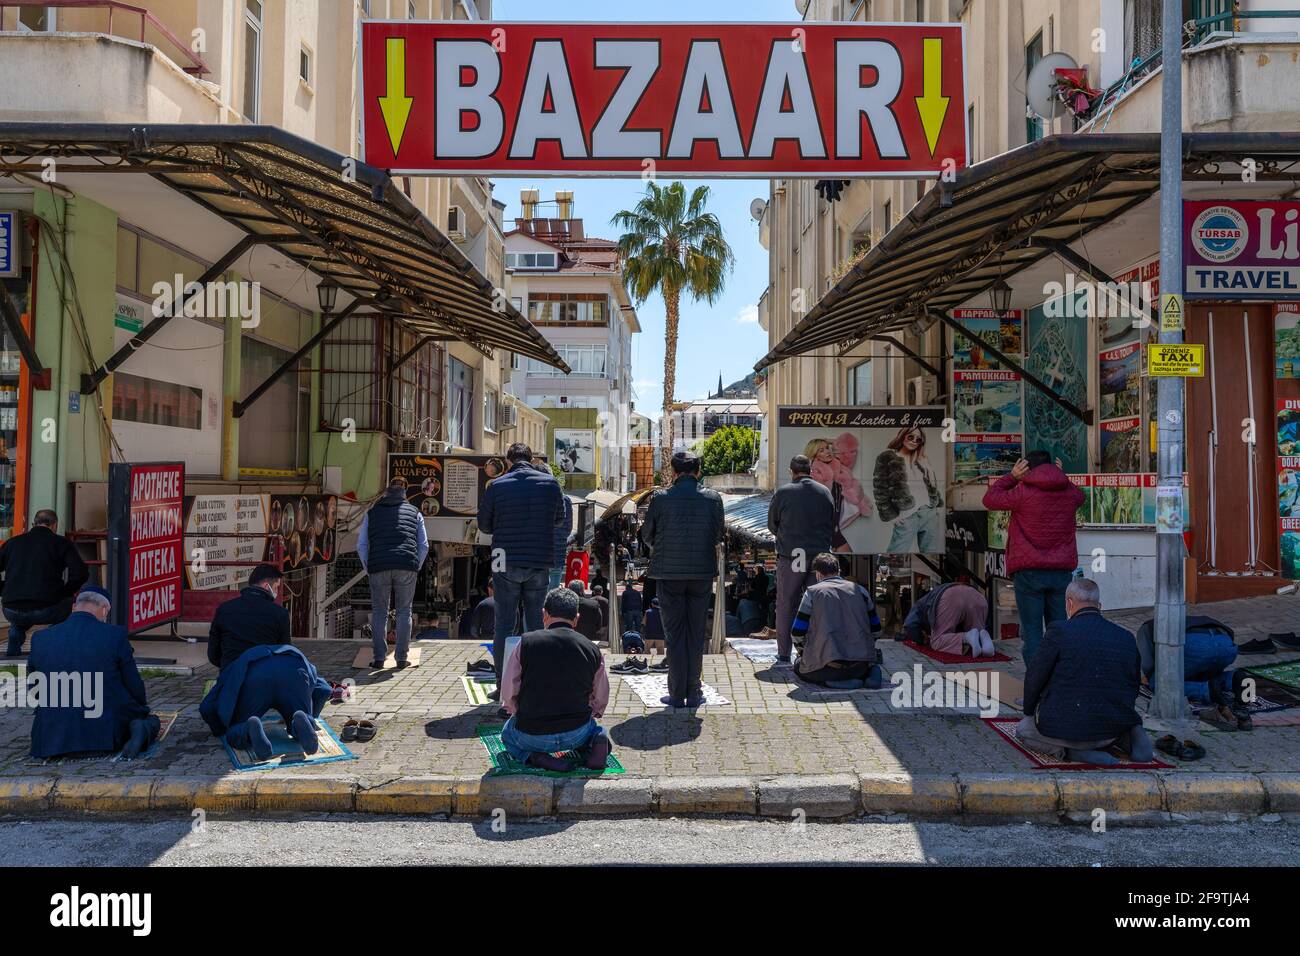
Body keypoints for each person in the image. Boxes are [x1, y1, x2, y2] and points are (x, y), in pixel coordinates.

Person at [1017, 578, 1153, 764]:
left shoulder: (1059, 631)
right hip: (1111, 726)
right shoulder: (1125, 637)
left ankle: (1070, 752)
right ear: (1099, 605)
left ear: (1069, 604)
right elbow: (1133, 684)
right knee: (1115, 722)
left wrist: (1030, 711)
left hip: (1067, 729)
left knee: (1024, 729)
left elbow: (1035, 677)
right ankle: (1129, 733)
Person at [28, 586, 159, 761]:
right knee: (152, 721)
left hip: (51, 739)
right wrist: (141, 710)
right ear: (104, 610)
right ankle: (140, 730)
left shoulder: (40, 638)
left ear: (74, 607)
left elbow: (34, 686)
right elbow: (133, 684)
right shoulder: (114, 635)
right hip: (103, 733)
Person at [639, 450, 725, 708]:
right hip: (701, 573)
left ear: (674, 473)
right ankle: (695, 691)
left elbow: (646, 535)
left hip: (668, 574)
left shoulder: (661, 498)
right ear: (698, 472)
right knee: (696, 632)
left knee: (674, 634)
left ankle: (677, 693)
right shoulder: (713, 499)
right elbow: (718, 534)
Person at [982, 450, 1085, 663]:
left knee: (1032, 632)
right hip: (1061, 571)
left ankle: (1037, 686)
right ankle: (1058, 681)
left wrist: (1012, 476)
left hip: (1029, 572)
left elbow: (989, 499)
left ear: (1025, 468)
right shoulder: (1068, 491)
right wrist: (1060, 476)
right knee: (1059, 629)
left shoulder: (1022, 492)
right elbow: (1080, 496)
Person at [478, 444, 567, 684]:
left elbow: (484, 526)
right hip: (539, 558)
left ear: (508, 461)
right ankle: (534, 680)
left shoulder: (497, 486)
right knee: (535, 622)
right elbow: (559, 519)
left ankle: (502, 682)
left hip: (503, 559)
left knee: (504, 623)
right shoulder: (550, 484)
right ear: (532, 459)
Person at [499, 586, 612, 771]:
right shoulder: (592, 649)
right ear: (576, 619)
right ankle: (595, 741)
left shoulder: (526, 642)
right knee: (595, 729)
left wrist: (514, 711)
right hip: (576, 733)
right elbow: (600, 695)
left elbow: (509, 690)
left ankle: (534, 757)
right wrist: (593, 712)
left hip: (531, 733)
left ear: (545, 614)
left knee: (507, 735)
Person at [200, 641, 329, 761]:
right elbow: (324, 690)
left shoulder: (236, 665)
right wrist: (312, 715)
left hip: (254, 677)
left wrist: (219, 730)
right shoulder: (292, 654)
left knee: (236, 730)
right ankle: (302, 720)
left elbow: (207, 706)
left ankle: (247, 728)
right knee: (299, 712)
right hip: (294, 669)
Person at [767, 455, 835, 664]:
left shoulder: (783, 492)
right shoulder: (825, 492)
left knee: (787, 603)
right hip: (819, 558)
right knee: (818, 604)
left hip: (792, 556)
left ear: (791, 471)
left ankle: (784, 652)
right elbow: (832, 522)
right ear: (810, 470)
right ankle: (814, 651)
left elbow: (772, 524)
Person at [358, 476, 429, 669]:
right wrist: (416, 565)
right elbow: (423, 545)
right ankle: (401, 658)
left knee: (380, 612)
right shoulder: (415, 513)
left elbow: (362, 545)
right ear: (405, 492)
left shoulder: (371, 513)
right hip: (406, 565)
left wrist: (368, 567)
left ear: (386, 491)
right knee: (404, 611)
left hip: (378, 566)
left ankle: (379, 658)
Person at [1135, 615, 1252, 731]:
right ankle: (1234, 678)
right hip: (1226, 643)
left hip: (1195, 645)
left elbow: (1148, 665)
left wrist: (1151, 677)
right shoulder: (1190, 619)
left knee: (1159, 683)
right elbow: (1229, 634)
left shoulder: (1144, 629)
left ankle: (1207, 691)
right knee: (1208, 672)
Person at [0, 509, 88, 657]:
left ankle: (15, 633)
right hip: (48, 607)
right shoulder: (61, 543)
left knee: (23, 611)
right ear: (54, 525)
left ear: (33, 524)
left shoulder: (12, 543)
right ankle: (54, 644)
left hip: (11, 609)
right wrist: (65, 592)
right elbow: (80, 573)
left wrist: (4, 589)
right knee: (68, 603)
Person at [790, 553, 882, 686]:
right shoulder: (861, 591)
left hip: (826, 667)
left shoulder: (811, 593)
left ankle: (830, 683)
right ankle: (871, 673)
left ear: (818, 574)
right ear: (839, 571)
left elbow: (797, 632)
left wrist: (804, 652)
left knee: (799, 666)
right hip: (859, 666)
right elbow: (877, 630)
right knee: (867, 666)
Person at [208, 563, 293, 670]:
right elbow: (285, 652)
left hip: (231, 676)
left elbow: (213, 654)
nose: (276, 592)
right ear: (267, 586)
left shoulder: (224, 609)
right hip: (264, 677)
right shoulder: (280, 613)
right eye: (276, 587)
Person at [873, 426, 943, 553]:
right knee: (895, 554)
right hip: (908, 514)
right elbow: (880, 488)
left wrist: (927, 466)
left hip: (929, 513)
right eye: (910, 436)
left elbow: (932, 486)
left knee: (931, 555)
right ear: (902, 435)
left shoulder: (919, 460)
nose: (914, 441)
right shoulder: (887, 457)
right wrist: (891, 516)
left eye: (918, 439)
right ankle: (888, 573)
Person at [902, 581, 994, 657]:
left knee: (937, 641)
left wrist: (920, 639)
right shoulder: (927, 599)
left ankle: (966, 637)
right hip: (977, 595)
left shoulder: (919, 606)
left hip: (951, 597)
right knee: (977, 633)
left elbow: (909, 625)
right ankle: (985, 643)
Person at [568, 579, 603, 645]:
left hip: (569, 640)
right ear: (582, 590)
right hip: (588, 640)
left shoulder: (563, 604)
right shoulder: (594, 604)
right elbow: (599, 625)